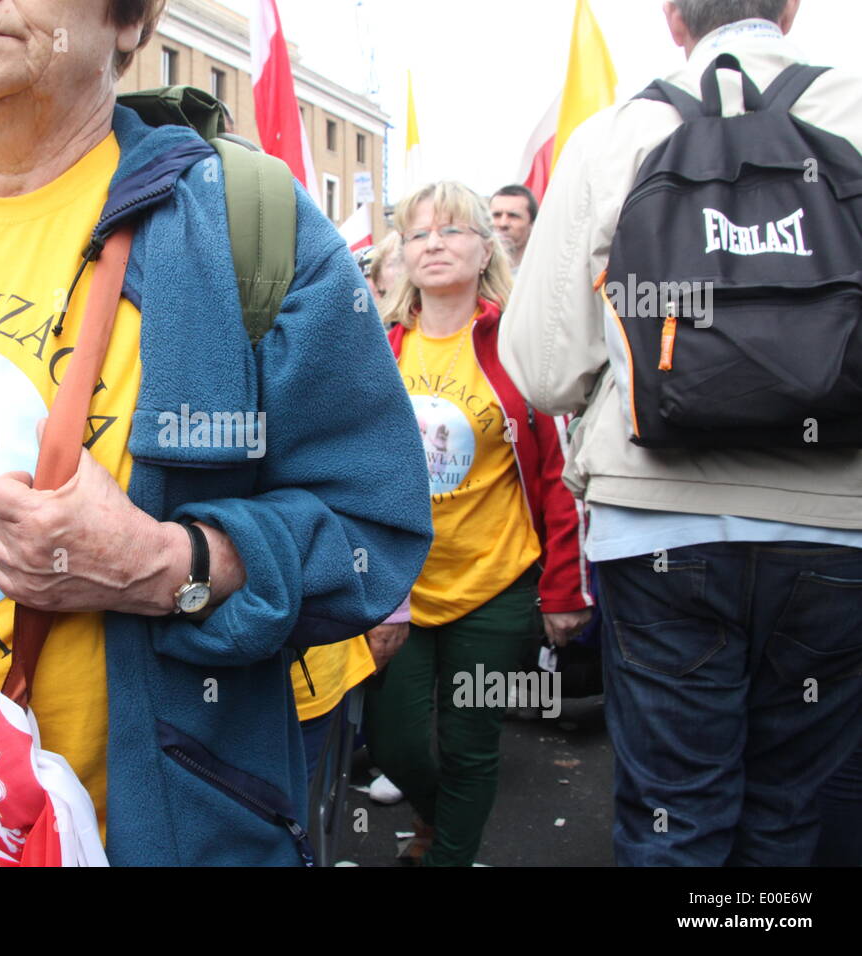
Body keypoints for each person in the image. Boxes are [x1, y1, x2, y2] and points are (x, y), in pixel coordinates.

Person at [0, 0, 432, 867]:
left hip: (146, 837)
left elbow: (376, 528)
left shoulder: (248, 230)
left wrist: (170, 565)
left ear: (131, 21)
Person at [500, 0, 862, 866]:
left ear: (674, 21)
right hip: (835, 528)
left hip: (661, 528)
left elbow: (544, 367)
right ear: (791, 7)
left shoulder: (613, 136)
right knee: (788, 814)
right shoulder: (852, 111)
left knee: (677, 813)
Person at [365, 181, 591, 866]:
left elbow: (557, 476)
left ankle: (449, 855)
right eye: (419, 233)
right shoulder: (382, 351)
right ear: (402, 253)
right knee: (393, 740)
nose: (435, 244)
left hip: (496, 588)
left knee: (471, 744)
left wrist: (563, 590)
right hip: (401, 590)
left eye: (453, 230)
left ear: (484, 246)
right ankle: (440, 824)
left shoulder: (514, 348)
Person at [489, 184, 537, 272]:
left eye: (513, 216)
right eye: (496, 215)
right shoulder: (473, 273)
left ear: (532, 225)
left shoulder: (542, 274)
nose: (503, 224)